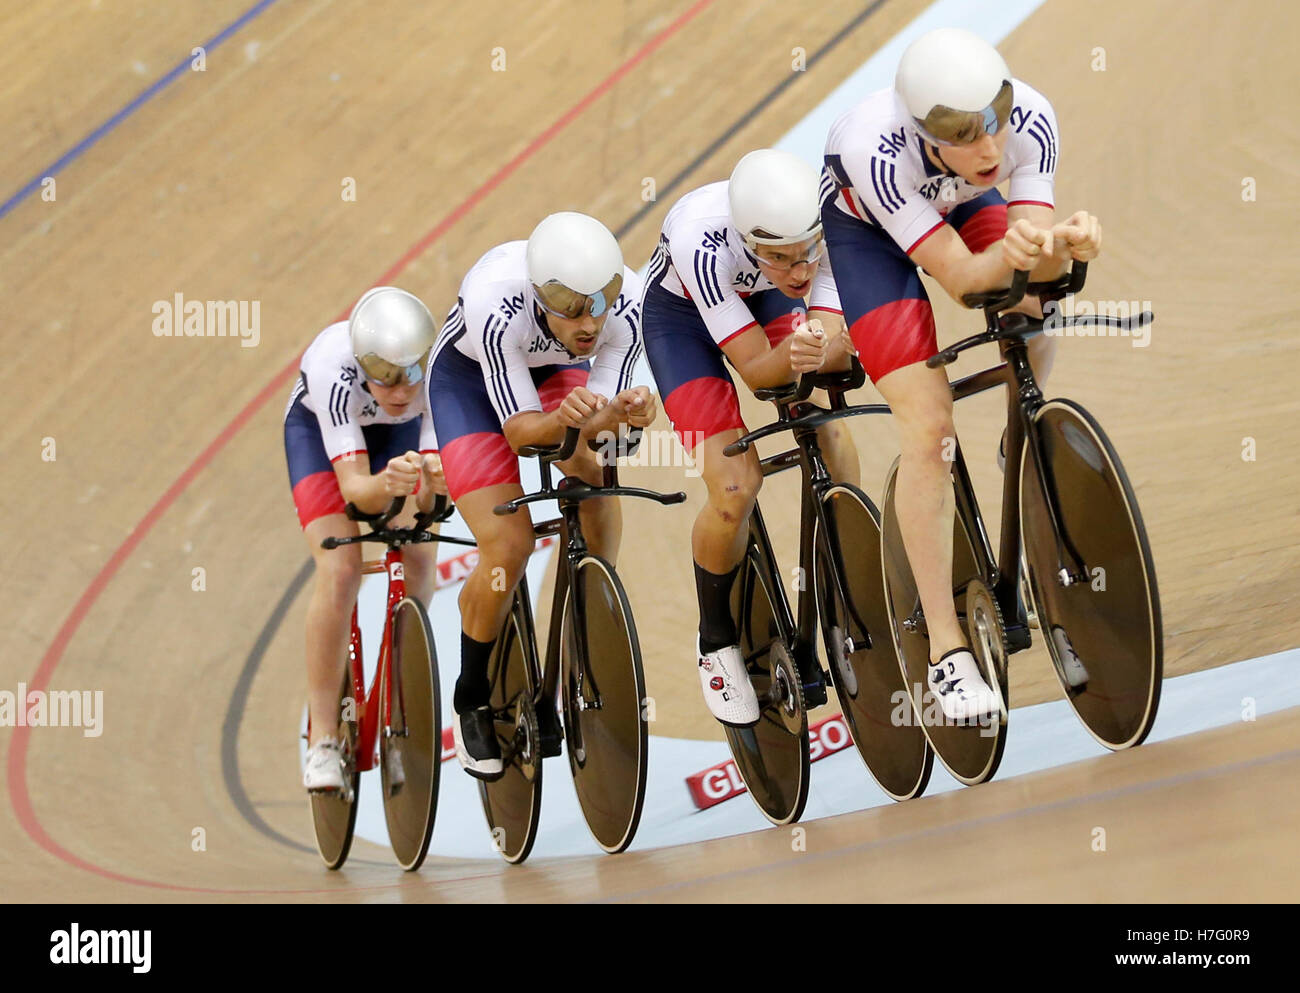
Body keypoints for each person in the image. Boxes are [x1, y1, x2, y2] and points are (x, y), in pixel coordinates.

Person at [811, 27, 1102, 720]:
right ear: (922, 130)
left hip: (955, 201)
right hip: (868, 236)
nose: (992, 150)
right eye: (968, 137)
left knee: (1031, 308)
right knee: (930, 426)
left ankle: (1020, 439)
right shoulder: (871, 149)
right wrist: (1024, 255)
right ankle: (945, 648)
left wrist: (1068, 247)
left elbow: (1029, 265)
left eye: (995, 127)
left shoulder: (1030, 117)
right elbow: (968, 283)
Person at [427, 211, 655, 777]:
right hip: (472, 387)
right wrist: (568, 420)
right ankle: (471, 696)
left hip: (554, 378)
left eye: (597, 305)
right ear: (537, 297)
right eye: (572, 309)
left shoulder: (626, 307)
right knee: (508, 544)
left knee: (595, 472)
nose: (587, 323)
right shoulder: (495, 302)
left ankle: (593, 601)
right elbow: (522, 432)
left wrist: (627, 415)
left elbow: (601, 433)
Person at [641, 148, 859, 728]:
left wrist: (827, 347)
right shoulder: (702, 240)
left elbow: (830, 338)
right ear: (748, 242)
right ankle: (715, 639)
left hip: (762, 301)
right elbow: (759, 371)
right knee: (736, 483)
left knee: (823, 420)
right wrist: (794, 354)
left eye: (807, 253)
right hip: (682, 322)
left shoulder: (822, 226)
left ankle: (848, 559)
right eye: (781, 258)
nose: (800, 270)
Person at [284, 286, 448, 790]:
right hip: (322, 441)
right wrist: (389, 485)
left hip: (397, 446)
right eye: (384, 378)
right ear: (361, 366)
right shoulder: (332, 367)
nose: (400, 392)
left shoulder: (441, 372)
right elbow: (356, 494)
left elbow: (435, 505)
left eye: (410, 375)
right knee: (341, 568)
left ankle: (401, 687)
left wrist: (430, 491)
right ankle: (324, 741)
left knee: (419, 551)